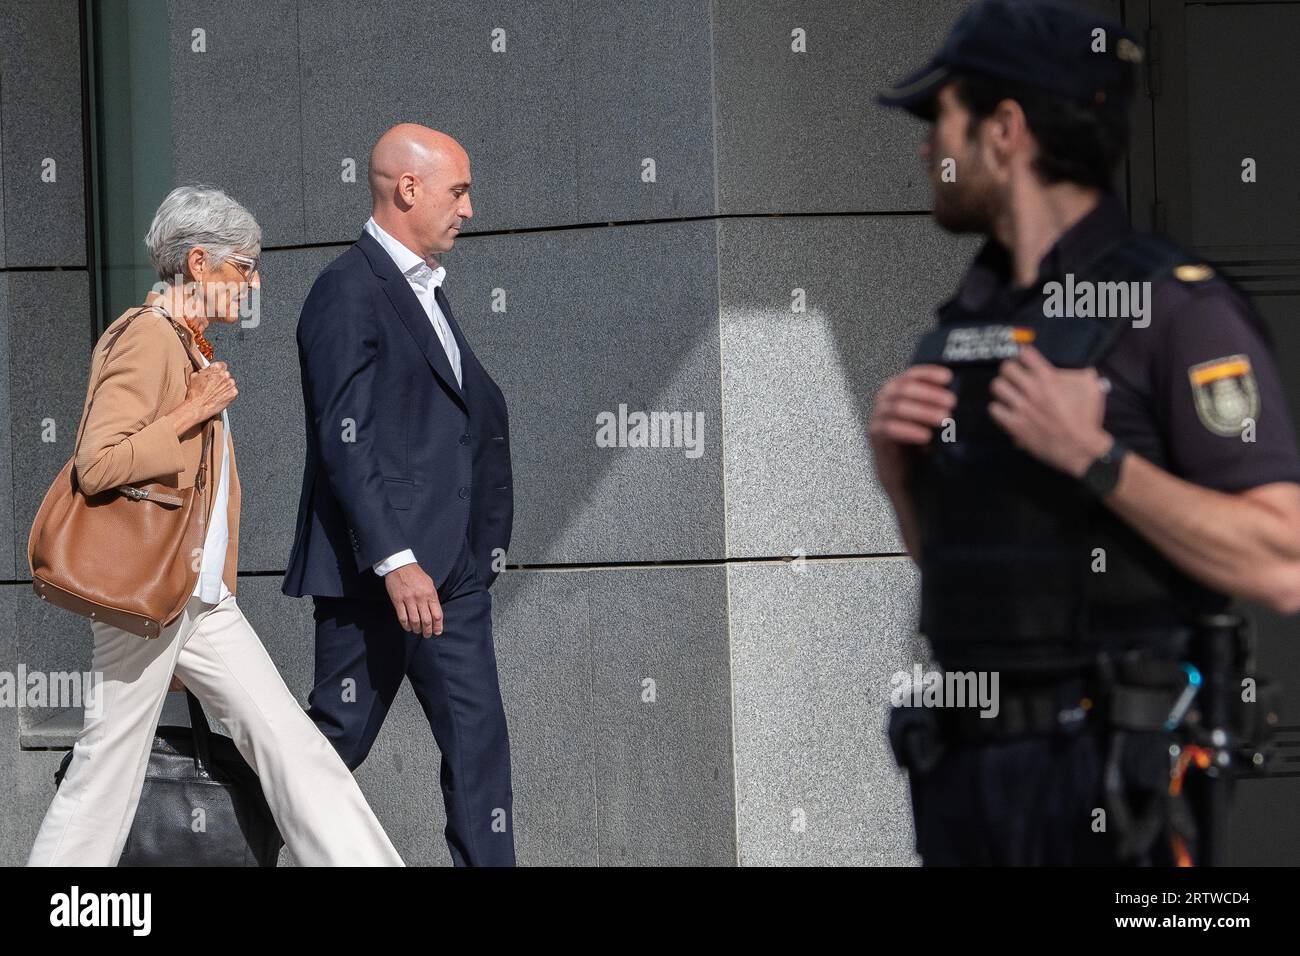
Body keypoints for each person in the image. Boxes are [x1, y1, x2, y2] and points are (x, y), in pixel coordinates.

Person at [871, 0, 1300, 865]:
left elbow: (1283, 560)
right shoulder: (972, 321)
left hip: (1113, 781)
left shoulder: (1178, 310)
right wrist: (897, 474)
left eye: (940, 118)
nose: (925, 147)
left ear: (1005, 130)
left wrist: (1097, 460)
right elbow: (983, 572)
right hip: (968, 777)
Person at [27, 185, 403, 866]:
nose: (253, 282)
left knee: (294, 750)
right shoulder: (146, 337)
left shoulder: (187, 346)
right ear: (199, 263)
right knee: (104, 774)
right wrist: (188, 413)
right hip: (150, 599)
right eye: (245, 266)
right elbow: (97, 463)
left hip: (200, 603)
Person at [283, 124, 516, 866]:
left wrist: (470, 554)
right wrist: (395, 560)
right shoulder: (347, 292)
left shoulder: (428, 293)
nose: (470, 209)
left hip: (453, 577)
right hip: (378, 577)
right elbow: (343, 442)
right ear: (407, 189)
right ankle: (206, 844)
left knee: (480, 749)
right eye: (459, 190)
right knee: (331, 746)